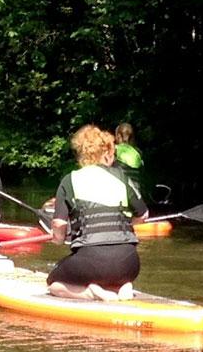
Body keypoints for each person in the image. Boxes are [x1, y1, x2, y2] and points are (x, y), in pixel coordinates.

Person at [41, 125, 144, 300]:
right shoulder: (121, 177)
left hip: (90, 262)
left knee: (54, 284)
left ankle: (92, 293)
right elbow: (143, 215)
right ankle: (124, 285)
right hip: (130, 264)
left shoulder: (69, 180)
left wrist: (58, 238)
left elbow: (59, 225)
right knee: (114, 271)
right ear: (105, 154)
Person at [111, 122, 151, 218]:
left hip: (120, 193)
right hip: (136, 194)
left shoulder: (113, 150)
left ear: (118, 136)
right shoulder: (138, 152)